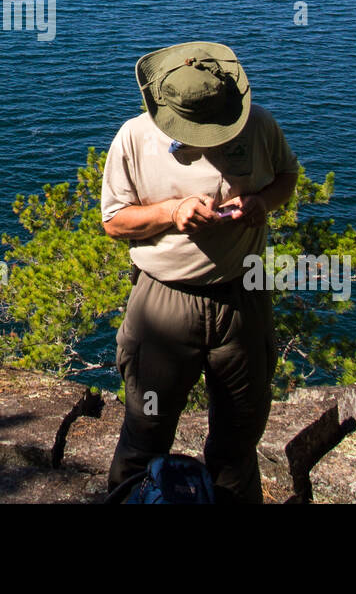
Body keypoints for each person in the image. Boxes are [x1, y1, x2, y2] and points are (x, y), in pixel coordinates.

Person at [101, 41, 299, 502]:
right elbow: (114, 221)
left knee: (238, 439)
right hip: (163, 305)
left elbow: (287, 176)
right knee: (144, 434)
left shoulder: (259, 125)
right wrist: (173, 212)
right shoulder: (133, 137)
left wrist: (261, 204)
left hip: (243, 298)